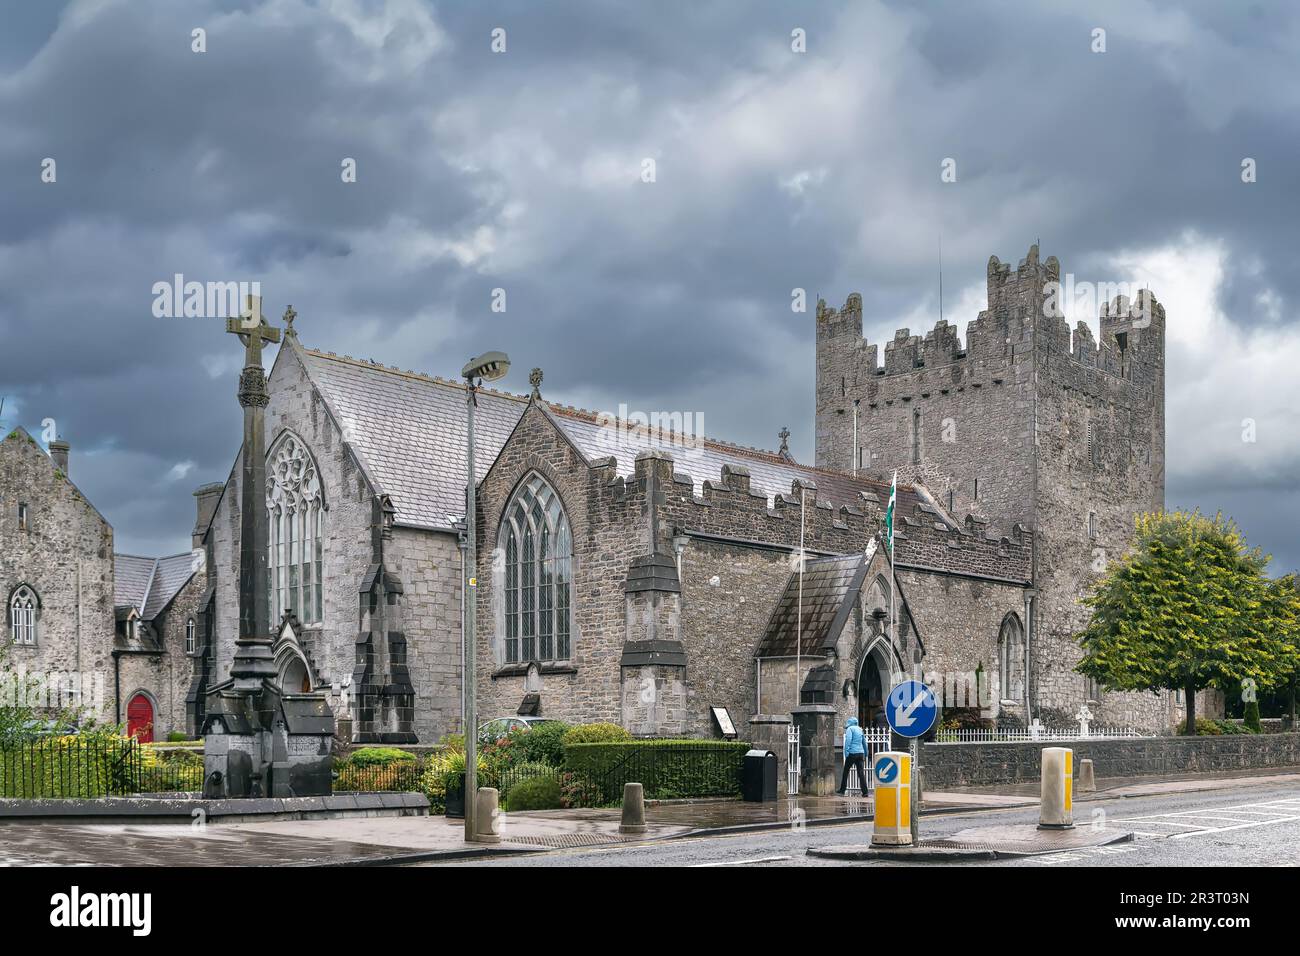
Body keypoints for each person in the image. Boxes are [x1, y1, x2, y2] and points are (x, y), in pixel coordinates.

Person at [838, 717, 869, 795]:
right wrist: (866, 752)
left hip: (852, 753)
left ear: (850, 723)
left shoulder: (850, 729)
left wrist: (846, 752)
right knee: (861, 772)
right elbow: (864, 742)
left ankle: (842, 790)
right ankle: (865, 792)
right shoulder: (860, 729)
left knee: (846, 771)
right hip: (860, 753)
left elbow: (848, 740)